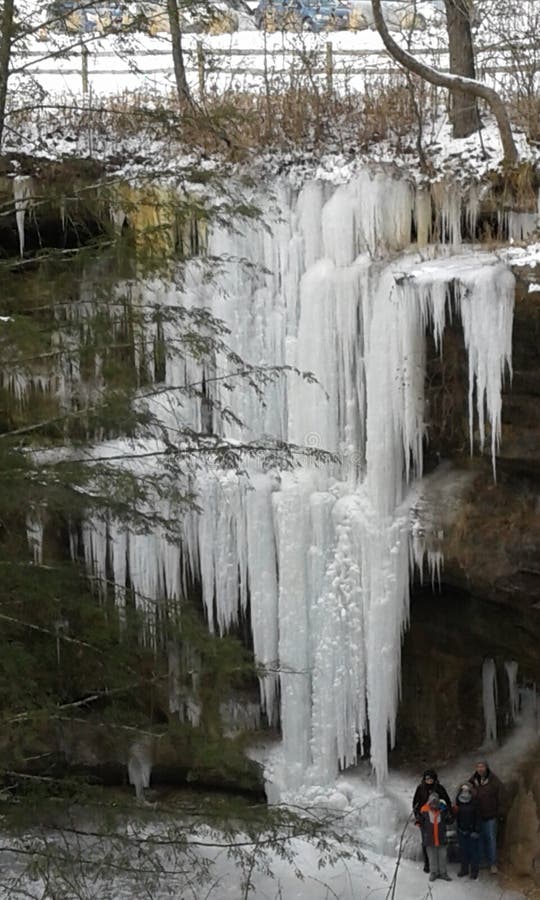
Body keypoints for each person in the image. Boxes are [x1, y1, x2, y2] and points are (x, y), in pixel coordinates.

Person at [469, 759, 505, 874]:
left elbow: (502, 796)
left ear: (486, 767)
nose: (480, 769)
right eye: (478, 766)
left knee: (491, 840)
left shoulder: (494, 780)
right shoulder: (472, 781)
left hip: (491, 815)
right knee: (480, 840)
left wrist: (500, 811)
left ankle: (493, 863)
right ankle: (482, 861)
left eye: (482, 766)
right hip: (478, 816)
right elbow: (465, 795)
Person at [413, 769, 452, 872]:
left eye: (431, 779)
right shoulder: (420, 789)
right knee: (426, 841)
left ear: (434, 779)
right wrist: (418, 816)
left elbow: (447, 802)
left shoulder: (440, 789)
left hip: (438, 818)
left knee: (439, 842)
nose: (429, 781)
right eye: (427, 779)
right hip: (425, 819)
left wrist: (447, 814)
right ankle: (427, 863)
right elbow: (415, 804)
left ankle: (439, 864)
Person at [418, 792, 453, 882]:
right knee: (432, 857)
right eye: (432, 802)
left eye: (435, 802)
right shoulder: (424, 811)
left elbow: (449, 820)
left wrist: (451, 813)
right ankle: (434, 873)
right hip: (429, 838)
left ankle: (443, 873)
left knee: (442, 856)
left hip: (441, 837)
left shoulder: (443, 810)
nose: (433, 804)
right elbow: (420, 822)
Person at [455, 782, 481, 880]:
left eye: (467, 789)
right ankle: (464, 869)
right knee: (463, 851)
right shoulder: (458, 799)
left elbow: (478, 816)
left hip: (472, 830)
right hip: (461, 829)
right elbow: (457, 814)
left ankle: (474, 871)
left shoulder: (475, 801)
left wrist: (476, 830)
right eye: (463, 789)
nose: (465, 791)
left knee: (474, 852)